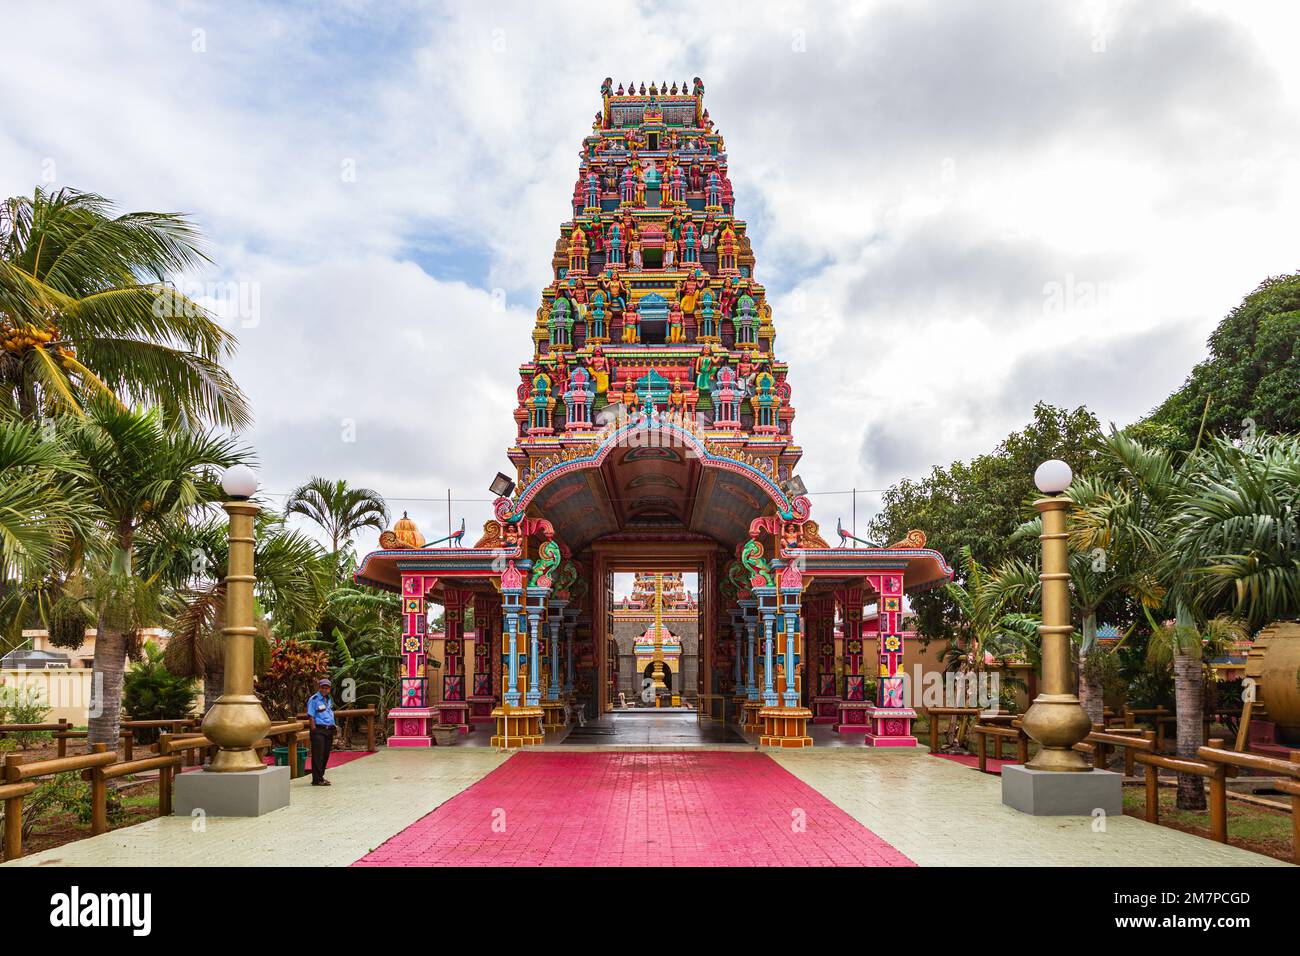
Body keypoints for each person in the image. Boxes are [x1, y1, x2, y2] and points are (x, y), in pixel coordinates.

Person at [307, 678, 336, 786]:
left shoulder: (328, 699)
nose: (324, 689)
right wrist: (314, 729)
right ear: (319, 688)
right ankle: (316, 779)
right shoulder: (314, 699)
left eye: (327, 688)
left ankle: (321, 776)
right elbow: (311, 715)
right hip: (318, 730)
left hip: (328, 729)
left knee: (325, 754)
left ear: (329, 689)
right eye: (323, 687)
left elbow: (329, 713)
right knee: (317, 755)